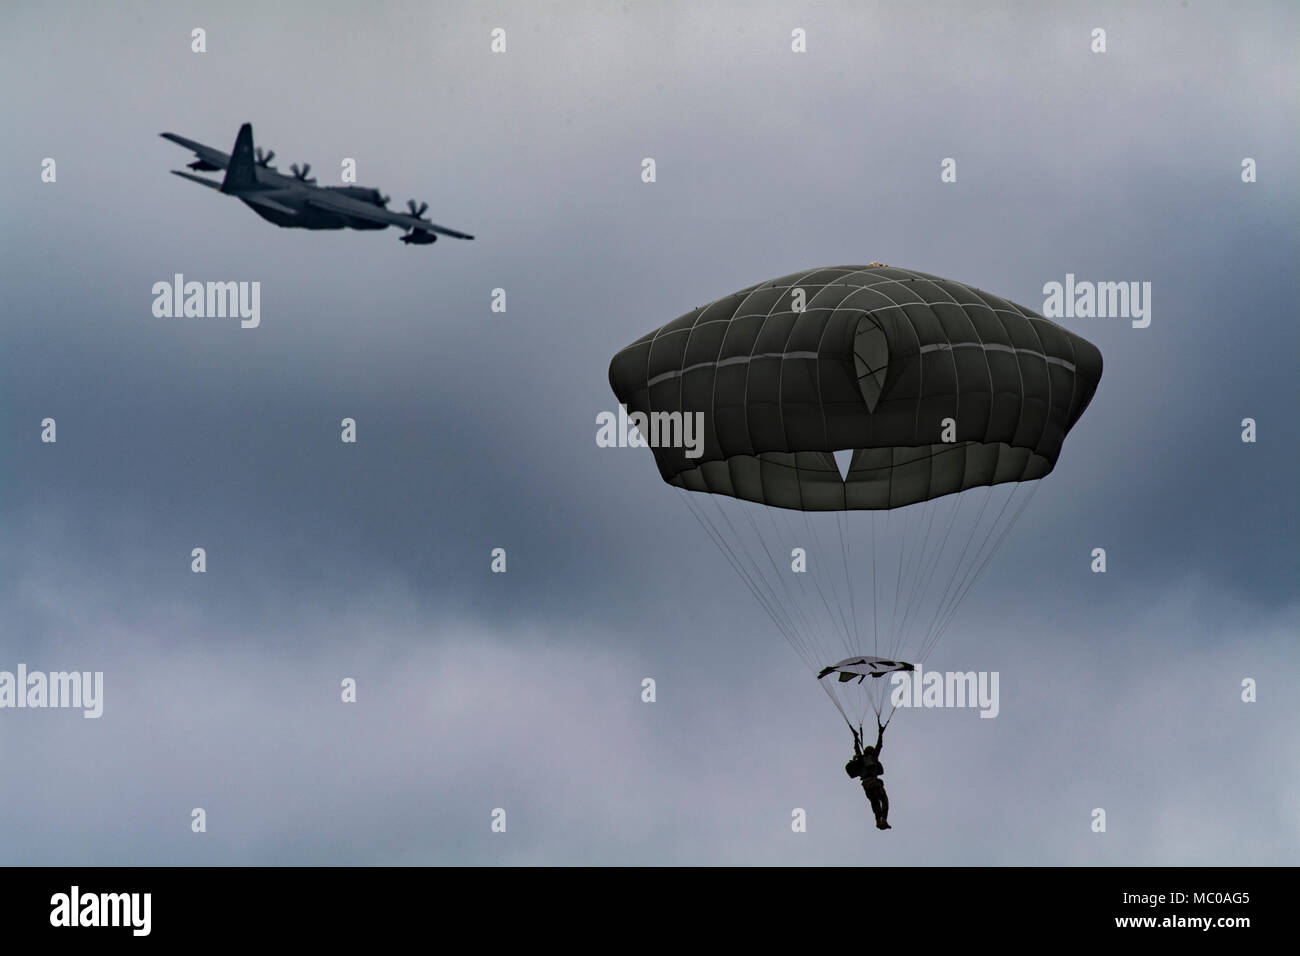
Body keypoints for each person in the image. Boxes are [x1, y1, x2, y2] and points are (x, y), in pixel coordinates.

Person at [845, 720, 891, 829]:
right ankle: (883, 819)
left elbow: (856, 749)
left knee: (875, 803)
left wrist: (856, 739)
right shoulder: (872, 758)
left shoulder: (860, 760)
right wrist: (881, 733)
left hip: (866, 785)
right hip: (874, 782)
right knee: (884, 800)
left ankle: (878, 820)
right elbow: (879, 746)